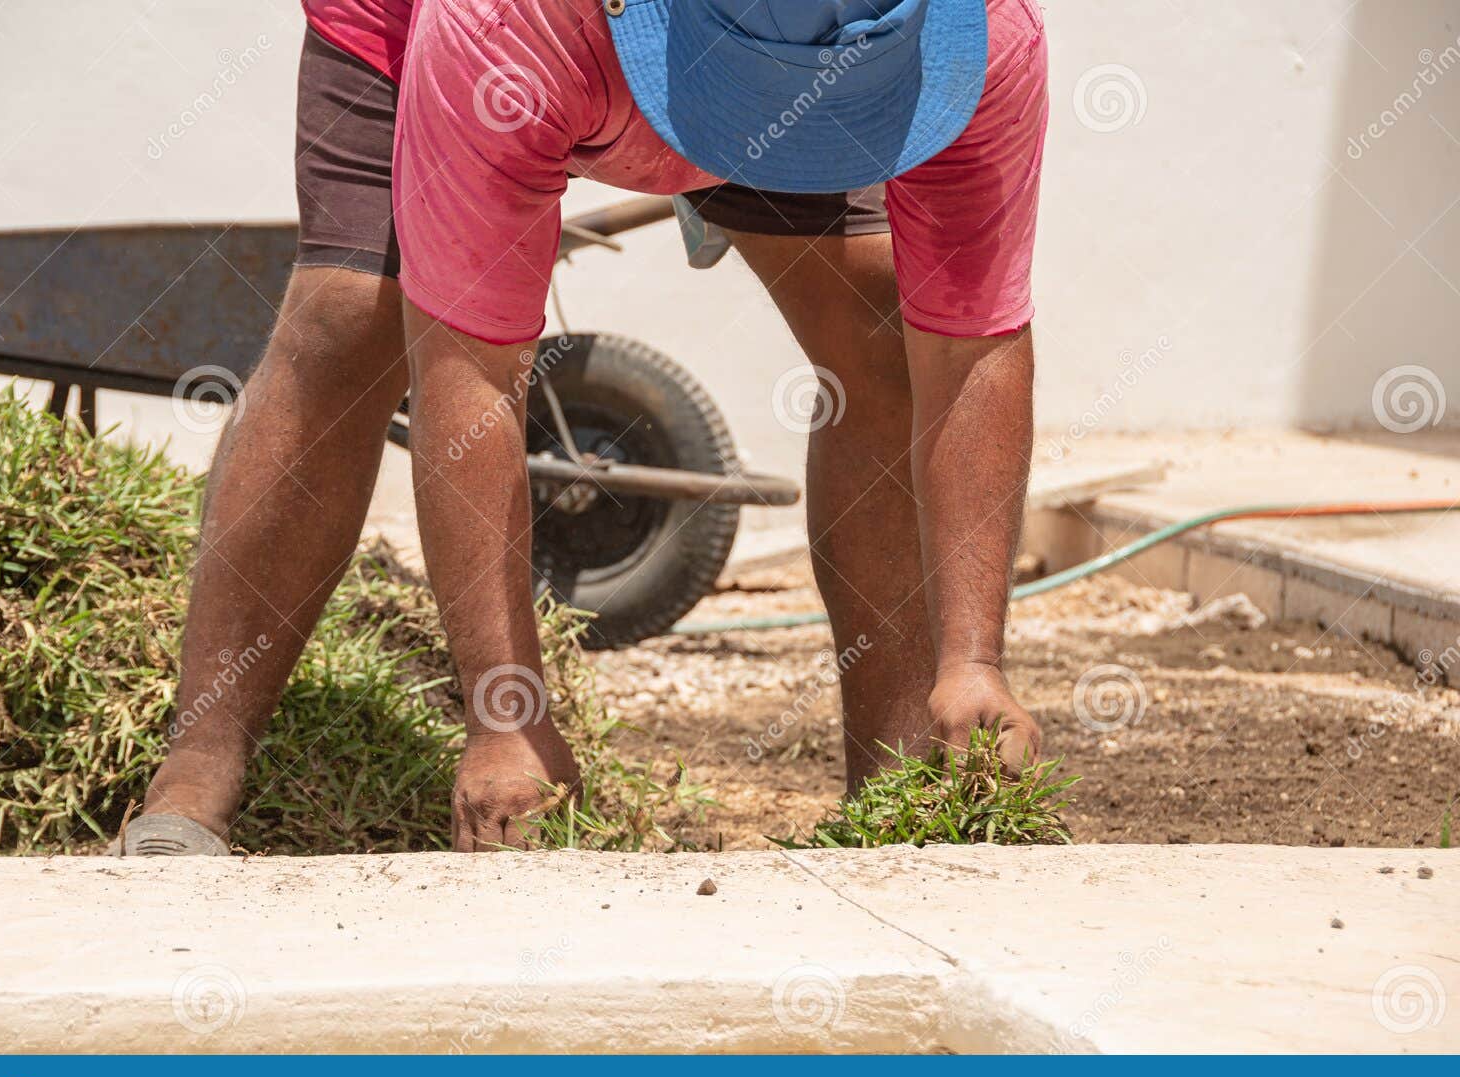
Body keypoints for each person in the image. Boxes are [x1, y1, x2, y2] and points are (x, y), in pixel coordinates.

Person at [119, 0, 1050, 856]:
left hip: (808, 73)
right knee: (352, 320)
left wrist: (975, 657)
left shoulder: (977, 41)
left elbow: (974, 347)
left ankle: (903, 793)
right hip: (498, 46)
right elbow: (475, 371)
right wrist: (503, 713)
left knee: (877, 331)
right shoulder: (506, 22)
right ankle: (198, 769)